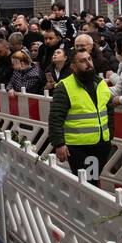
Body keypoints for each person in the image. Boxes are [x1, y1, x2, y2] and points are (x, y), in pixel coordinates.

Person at [48, 48, 112, 179]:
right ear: (73, 66)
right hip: (79, 146)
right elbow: (55, 117)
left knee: (92, 180)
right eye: (82, 61)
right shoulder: (64, 86)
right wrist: (59, 144)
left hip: (101, 143)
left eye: (89, 59)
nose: (88, 63)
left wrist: (111, 133)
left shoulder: (100, 83)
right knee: (88, 183)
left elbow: (109, 110)